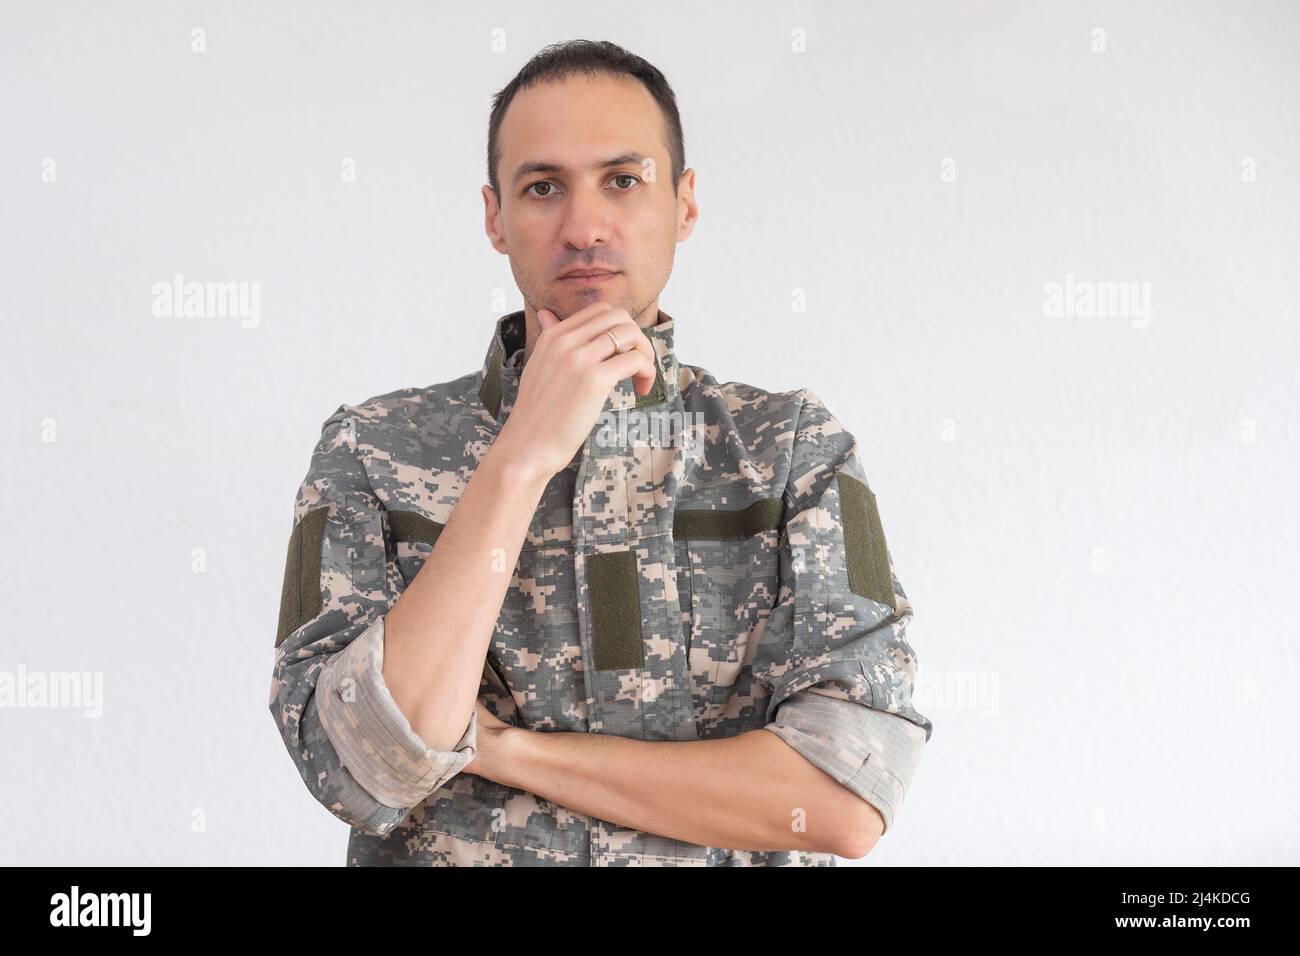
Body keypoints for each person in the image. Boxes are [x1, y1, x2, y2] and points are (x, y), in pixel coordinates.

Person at [267, 38, 932, 866]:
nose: (584, 227)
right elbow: (359, 770)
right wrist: (519, 460)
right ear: (494, 218)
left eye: (624, 180)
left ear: (684, 204)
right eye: (543, 188)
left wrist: (507, 750)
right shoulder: (369, 449)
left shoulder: (792, 452)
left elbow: (844, 800)